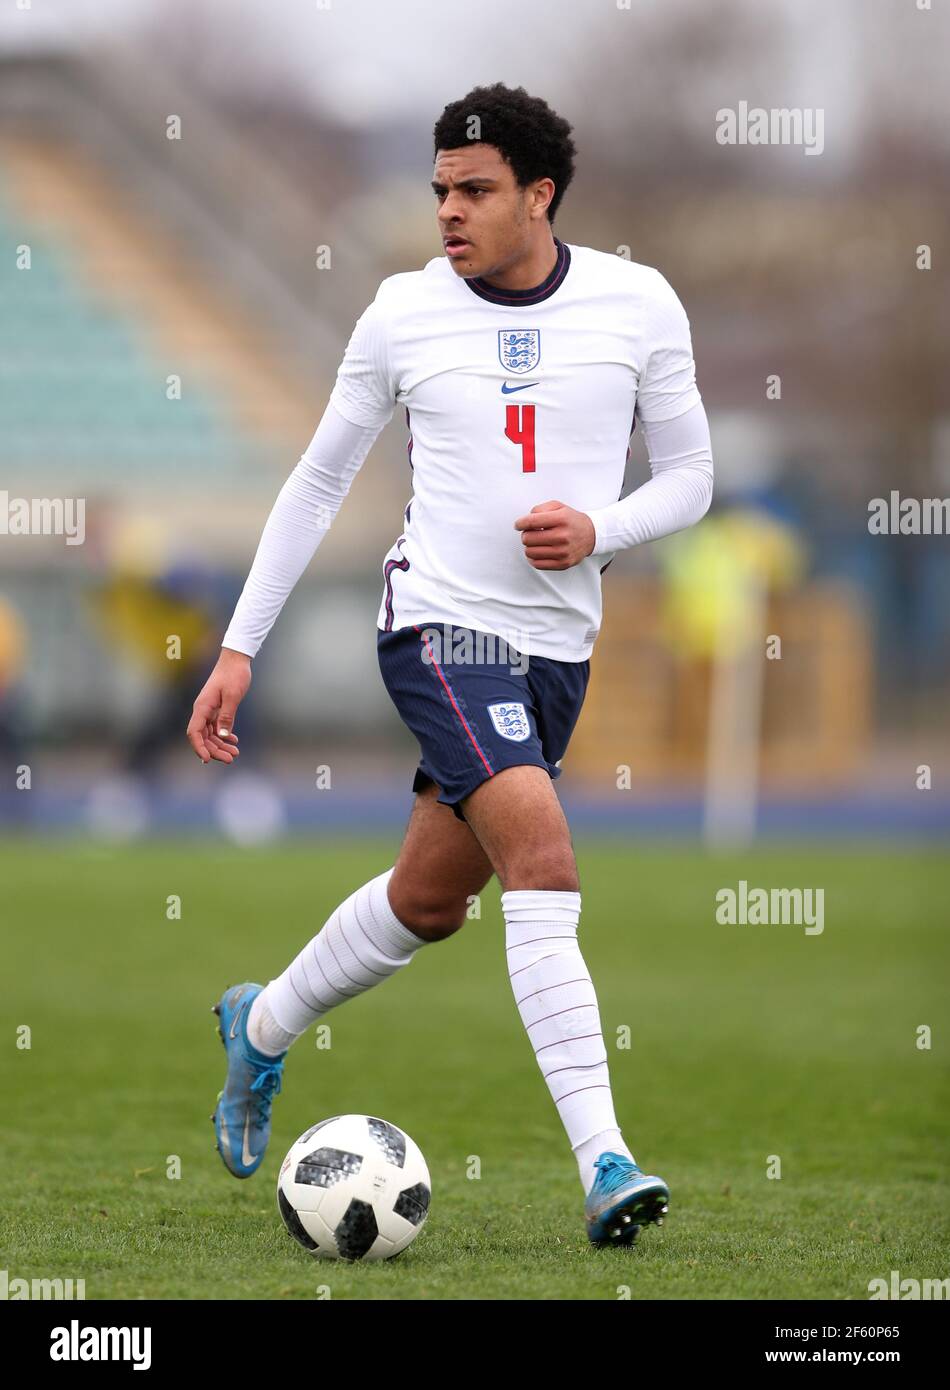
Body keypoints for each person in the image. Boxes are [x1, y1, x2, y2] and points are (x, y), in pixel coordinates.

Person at [187, 83, 713, 1247]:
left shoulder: (636, 303)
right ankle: (606, 1160)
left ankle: (260, 1024)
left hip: (555, 650)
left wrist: (598, 529)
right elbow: (319, 480)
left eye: (473, 189)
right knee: (542, 854)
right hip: (435, 626)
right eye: (437, 189)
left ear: (540, 193)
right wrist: (238, 648)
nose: (447, 210)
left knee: (430, 900)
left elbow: (690, 476)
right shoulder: (399, 314)